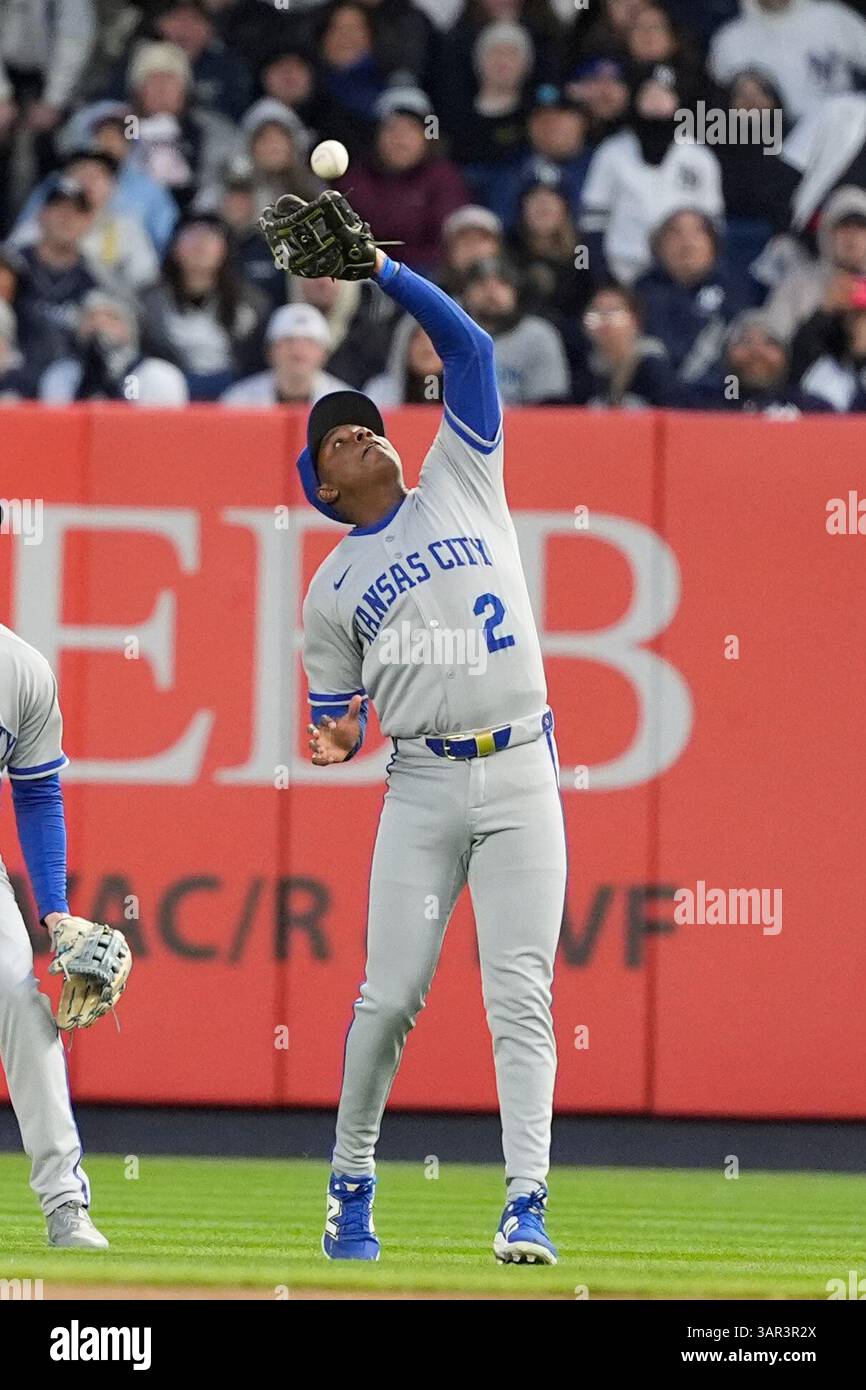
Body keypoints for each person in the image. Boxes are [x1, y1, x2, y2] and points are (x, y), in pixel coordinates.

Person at [291, 237, 566, 1267]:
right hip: (422, 784)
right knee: (391, 994)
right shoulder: (329, 589)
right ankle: (349, 1182)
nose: (361, 432)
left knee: (519, 991)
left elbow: (472, 350)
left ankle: (525, 1201)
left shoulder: (461, 472)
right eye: (339, 439)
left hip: (521, 771)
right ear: (325, 485)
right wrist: (331, 735)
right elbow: (338, 717)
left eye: (363, 421)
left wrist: (379, 269)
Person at [0, 623, 115, 1248]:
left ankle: (66, 1204)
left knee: (18, 995)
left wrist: (56, 913)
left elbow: (37, 794)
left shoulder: (19, 668)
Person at [580, 69, 724, 285]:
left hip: (683, 273)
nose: (656, 102)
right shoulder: (612, 151)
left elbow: (713, 224)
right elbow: (592, 220)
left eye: (664, 95)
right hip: (624, 269)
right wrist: (600, 274)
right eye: (649, 95)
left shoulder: (699, 157)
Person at [334, 85, 469, 275]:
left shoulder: (444, 178)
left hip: (427, 278)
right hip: (364, 275)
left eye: (411, 129)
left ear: (426, 137)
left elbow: (446, 245)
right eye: (392, 129)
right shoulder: (355, 179)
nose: (400, 139)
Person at [140, 212, 268, 399]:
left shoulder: (253, 302)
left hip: (237, 392)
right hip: (170, 392)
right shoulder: (148, 301)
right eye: (191, 236)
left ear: (225, 249)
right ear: (174, 247)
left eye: (210, 237)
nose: (200, 244)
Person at [10, 149, 160, 293]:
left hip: (105, 304)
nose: (87, 182)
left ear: (113, 187)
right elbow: (11, 256)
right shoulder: (45, 218)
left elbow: (146, 278)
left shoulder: (127, 229)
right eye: (80, 173)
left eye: (96, 176)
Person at [9, 175, 104, 389]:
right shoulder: (12, 266)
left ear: (88, 222)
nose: (67, 217)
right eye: (58, 208)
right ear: (41, 214)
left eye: (77, 211)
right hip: (12, 374)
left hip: (70, 382)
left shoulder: (95, 278)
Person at [636, 207, 751, 380]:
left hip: (719, 394)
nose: (687, 243)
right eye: (675, 233)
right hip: (654, 392)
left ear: (713, 245)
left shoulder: (734, 290)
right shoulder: (640, 292)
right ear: (658, 245)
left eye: (698, 232)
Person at [709, 0, 866, 124]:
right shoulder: (730, 40)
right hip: (776, 141)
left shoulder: (831, 16)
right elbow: (725, 113)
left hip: (841, 124)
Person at [39, 289, 188, 405]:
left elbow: (162, 434)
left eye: (112, 317)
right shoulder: (62, 375)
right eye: (90, 317)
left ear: (131, 329)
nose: (99, 325)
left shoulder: (157, 376)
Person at [459, 256, 571, 403]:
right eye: (481, 284)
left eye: (502, 283)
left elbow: (550, 403)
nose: (491, 292)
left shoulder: (538, 335)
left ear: (515, 292)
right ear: (466, 294)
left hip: (526, 423)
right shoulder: (452, 334)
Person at [221, 302, 351, 405]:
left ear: (324, 354)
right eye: (288, 341)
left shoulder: (346, 403)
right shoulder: (239, 401)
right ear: (270, 352)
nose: (298, 350)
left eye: (309, 342)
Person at [574, 282, 673, 407]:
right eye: (596, 312)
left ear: (635, 320)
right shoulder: (584, 370)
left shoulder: (651, 368)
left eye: (613, 312)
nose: (605, 320)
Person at [364, 316, 443, 405]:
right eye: (418, 337)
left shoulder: (459, 394)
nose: (427, 345)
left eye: (436, 339)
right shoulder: (381, 391)